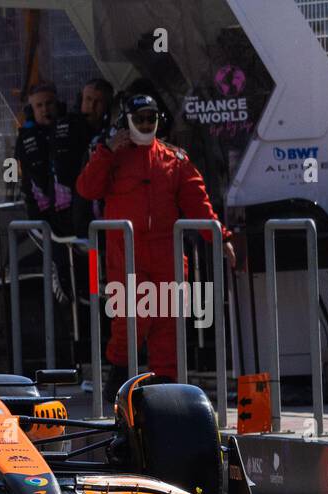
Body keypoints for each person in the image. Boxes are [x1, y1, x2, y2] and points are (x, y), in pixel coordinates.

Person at [75, 94, 236, 386]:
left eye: (152, 118)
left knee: (168, 325)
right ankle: (118, 387)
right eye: (140, 119)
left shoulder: (174, 159)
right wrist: (107, 151)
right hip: (126, 258)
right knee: (127, 325)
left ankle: (167, 390)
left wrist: (220, 237)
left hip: (167, 258)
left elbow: (198, 203)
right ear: (127, 121)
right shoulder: (112, 156)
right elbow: (86, 189)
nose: (146, 124)